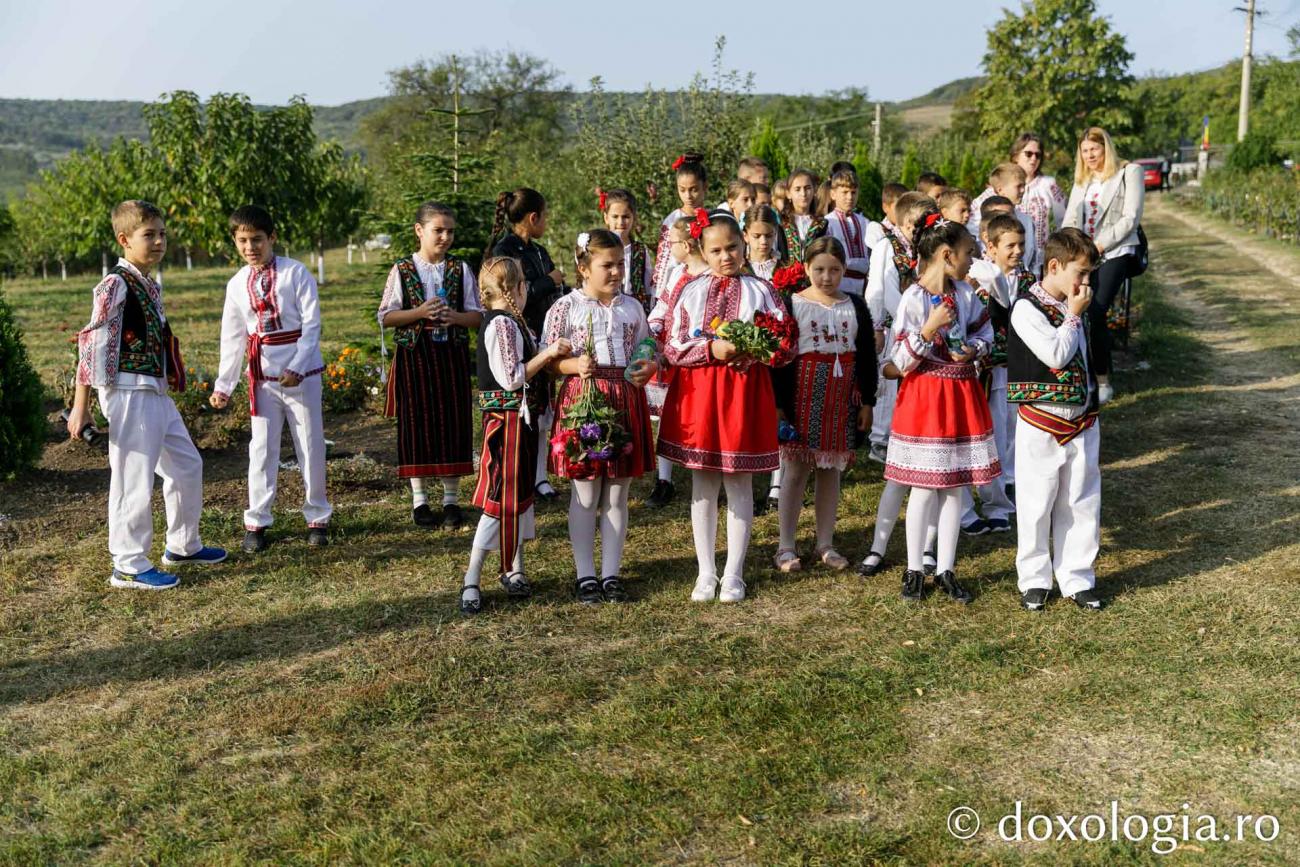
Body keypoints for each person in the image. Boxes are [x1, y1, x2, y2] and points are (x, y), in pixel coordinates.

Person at [69, 199, 225, 589]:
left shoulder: (147, 284)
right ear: (124, 239)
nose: (158, 242)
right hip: (128, 390)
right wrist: (80, 407)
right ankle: (128, 563)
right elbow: (92, 345)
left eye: (162, 234)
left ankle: (183, 544)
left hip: (153, 391)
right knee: (133, 477)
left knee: (186, 465)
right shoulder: (115, 284)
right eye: (148, 235)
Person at [658, 212, 795, 602]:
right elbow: (674, 344)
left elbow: (785, 344)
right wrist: (712, 348)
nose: (726, 256)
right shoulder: (690, 290)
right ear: (702, 250)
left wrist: (757, 350)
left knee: (738, 481)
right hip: (701, 391)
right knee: (703, 482)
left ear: (744, 246)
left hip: (744, 392)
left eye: (733, 247)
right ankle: (705, 571)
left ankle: (733, 572)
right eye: (716, 250)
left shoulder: (762, 291)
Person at [885, 209, 999, 604]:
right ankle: (915, 568)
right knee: (923, 487)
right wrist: (928, 330)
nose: (973, 261)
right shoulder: (914, 298)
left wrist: (974, 349)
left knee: (955, 488)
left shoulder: (966, 294)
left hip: (960, 394)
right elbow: (896, 362)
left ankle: (947, 567)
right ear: (948, 254)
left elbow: (987, 332)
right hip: (925, 398)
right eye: (969, 253)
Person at [543, 230, 657, 604]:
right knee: (586, 491)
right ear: (583, 268)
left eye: (620, 264)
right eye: (606, 265)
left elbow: (645, 345)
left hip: (624, 398)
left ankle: (611, 573)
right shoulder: (567, 307)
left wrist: (646, 366)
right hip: (586, 398)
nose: (615, 272)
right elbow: (549, 361)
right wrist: (573, 363)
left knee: (618, 493)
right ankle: (585, 574)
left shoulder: (632, 307)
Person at [212, 205, 331, 552]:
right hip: (262, 376)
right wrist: (224, 384)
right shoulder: (236, 285)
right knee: (261, 448)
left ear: (272, 238)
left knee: (310, 443)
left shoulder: (296, 273)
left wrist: (297, 366)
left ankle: (318, 515)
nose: (251, 247)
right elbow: (232, 338)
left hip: (301, 374)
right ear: (235, 242)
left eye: (258, 240)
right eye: (243, 241)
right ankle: (258, 519)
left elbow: (311, 326)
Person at [461, 257, 572, 614]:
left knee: (520, 496)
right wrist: (549, 353)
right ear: (514, 290)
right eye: (524, 283)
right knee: (500, 500)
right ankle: (471, 580)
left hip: (519, 422)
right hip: (505, 424)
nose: (527, 289)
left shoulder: (514, 323)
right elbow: (511, 377)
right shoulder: (501, 326)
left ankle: (514, 568)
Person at [1007, 228, 1104, 612]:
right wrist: (1074, 317)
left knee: (1080, 500)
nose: (1086, 282)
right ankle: (1034, 578)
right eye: (1080, 273)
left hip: (1080, 419)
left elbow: (1083, 358)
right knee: (1036, 502)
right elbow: (1056, 355)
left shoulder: (1074, 305)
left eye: (1089, 275)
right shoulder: (1026, 309)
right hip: (1041, 420)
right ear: (1054, 266)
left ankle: (1077, 577)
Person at [772, 237, 876, 572]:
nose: (827, 277)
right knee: (797, 467)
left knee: (831, 469)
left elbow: (867, 357)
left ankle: (825, 543)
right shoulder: (793, 303)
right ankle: (786, 545)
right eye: (819, 269)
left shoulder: (855, 305)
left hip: (841, 395)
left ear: (844, 269)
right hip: (803, 392)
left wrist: (868, 401)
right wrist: (779, 405)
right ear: (805, 268)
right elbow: (781, 359)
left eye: (834, 270)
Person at [377, 201, 480, 530]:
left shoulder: (460, 269)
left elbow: (477, 315)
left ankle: (451, 499)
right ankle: (419, 500)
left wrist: (456, 318)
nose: (445, 237)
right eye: (438, 230)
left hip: (451, 355)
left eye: (450, 231)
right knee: (416, 423)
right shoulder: (403, 270)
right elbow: (387, 316)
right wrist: (420, 313)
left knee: (453, 421)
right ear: (419, 231)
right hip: (415, 356)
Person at [489, 187, 565, 501]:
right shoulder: (505, 250)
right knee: (525, 408)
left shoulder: (538, 249)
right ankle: (520, 473)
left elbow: (551, 288)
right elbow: (512, 293)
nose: (545, 221)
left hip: (541, 335)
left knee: (543, 405)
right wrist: (552, 280)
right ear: (533, 217)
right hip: (518, 335)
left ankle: (539, 477)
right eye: (544, 216)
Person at [1061, 126, 1145, 406]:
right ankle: (1079, 372)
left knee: (1096, 310)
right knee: (1075, 309)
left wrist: (1099, 245)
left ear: (1105, 148)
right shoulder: (1083, 179)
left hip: (1114, 250)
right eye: (1084, 151)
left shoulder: (1128, 172)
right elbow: (1072, 216)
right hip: (1084, 254)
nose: (1089, 156)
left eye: (1094, 149)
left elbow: (1130, 217)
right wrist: (1068, 248)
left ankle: (1103, 378)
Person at [960, 213, 1024, 535]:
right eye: (1010, 245)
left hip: (1001, 371)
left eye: (1021, 245)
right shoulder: (972, 277)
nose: (1017, 251)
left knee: (998, 438)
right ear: (991, 246)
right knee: (966, 441)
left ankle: (997, 503)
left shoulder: (1026, 281)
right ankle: (962, 508)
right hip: (970, 370)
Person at [644, 215, 710, 509]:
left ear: (685, 244)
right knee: (668, 411)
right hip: (670, 349)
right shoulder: (676, 274)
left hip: (696, 352)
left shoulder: (709, 277)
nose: (668, 247)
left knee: (699, 412)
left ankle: (706, 467)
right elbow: (663, 304)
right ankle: (664, 478)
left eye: (671, 243)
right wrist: (654, 327)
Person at [864, 191, 932, 464]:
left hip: (920, 327)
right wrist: (876, 325)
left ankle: (907, 434)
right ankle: (880, 439)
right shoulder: (886, 246)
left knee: (912, 381)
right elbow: (878, 289)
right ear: (903, 223)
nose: (918, 231)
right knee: (888, 381)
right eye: (914, 225)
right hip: (894, 324)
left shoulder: (923, 249)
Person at [970, 133, 1066, 258]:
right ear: (1016, 155)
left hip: (1037, 258)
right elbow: (973, 223)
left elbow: (1064, 219)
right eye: (1028, 154)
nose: (1033, 159)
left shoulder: (1048, 184)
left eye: (1038, 155)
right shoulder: (998, 186)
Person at [653, 152, 709, 296]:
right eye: (682, 190)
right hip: (681, 287)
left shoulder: (712, 217)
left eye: (694, 189)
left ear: (705, 187)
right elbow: (665, 266)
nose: (688, 196)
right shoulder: (673, 221)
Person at [821, 168, 879, 297]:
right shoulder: (828, 222)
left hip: (864, 283)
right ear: (833, 194)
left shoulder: (865, 222)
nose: (850, 197)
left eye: (853, 192)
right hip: (840, 281)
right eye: (845, 192)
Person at [600, 187, 655, 314]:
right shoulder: (599, 250)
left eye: (625, 217)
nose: (620, 222)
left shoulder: (640, 251)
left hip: (635, 312)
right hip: (607, 311)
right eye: (615, 216)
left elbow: (647, 286)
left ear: (633, 218)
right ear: (606, 218)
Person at [780, 168, 826, 263]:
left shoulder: (822, 224)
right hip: (786, 274)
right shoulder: (781, 222)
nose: (803, 194)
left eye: (807, 188)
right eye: (797, 189)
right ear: (789, 194)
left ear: (814, 190)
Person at [743, 204, 783, 281]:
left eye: (769, 235)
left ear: (775, 234)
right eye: (756, 236)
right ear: (745, 236)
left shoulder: (784, 268)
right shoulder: (739, 269)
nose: (763, 241)